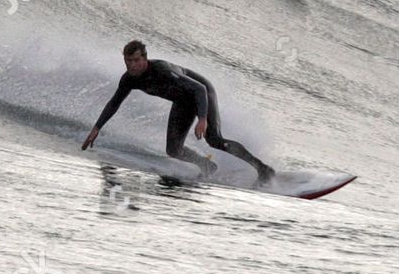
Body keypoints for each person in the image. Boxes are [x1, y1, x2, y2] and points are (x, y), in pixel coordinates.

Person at [81, 40, 275, 185]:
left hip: (202, 93)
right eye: (128, 61)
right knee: (173, 149)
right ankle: (206, 165)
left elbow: (199, 89)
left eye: (136, 60)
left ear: (145, 59)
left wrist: (202, 119)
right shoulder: (129, 79)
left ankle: (264, 169)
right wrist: (97, 128)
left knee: (214, 140)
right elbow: (114, 103)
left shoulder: (162, 70)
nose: (132, 65)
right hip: (183, 102)